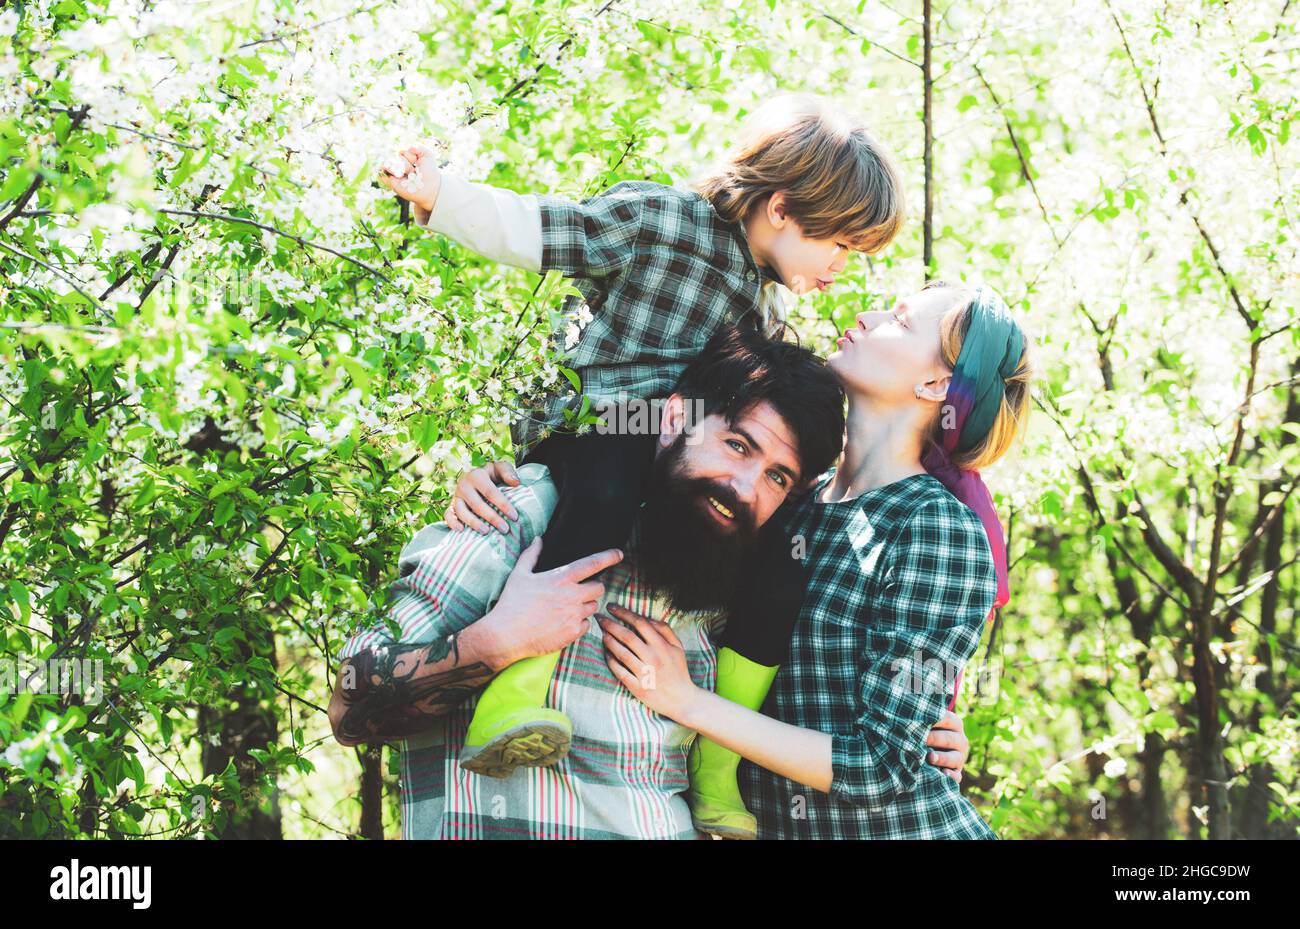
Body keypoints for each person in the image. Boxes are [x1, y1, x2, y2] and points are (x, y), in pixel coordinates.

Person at [377, 94, 906, 796]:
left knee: (782, 545)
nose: (843, 265)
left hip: (669, 453)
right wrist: (441, 195)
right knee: (611, 478)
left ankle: (719, 763)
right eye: (840, 243)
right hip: (599, 425)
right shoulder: (662, 220)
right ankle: (515, 693)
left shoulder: (766, 303)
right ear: (782, 208)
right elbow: (543, 228)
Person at [328, 327, 970, 839]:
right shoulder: (522, 523)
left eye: (777, 477)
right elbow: (350, 708)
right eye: (738, 447)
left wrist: (930, 735)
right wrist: (498, 642)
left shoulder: (736, 596)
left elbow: (847, 733)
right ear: (671, 421)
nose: (745, 489)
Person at [595, 282, 1034, 838]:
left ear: (934, 384)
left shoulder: (936, 528)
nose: (866, 314)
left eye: (898, 321)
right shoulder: (791, 496)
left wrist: (686, 701)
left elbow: (882, 766)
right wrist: (512, 484)